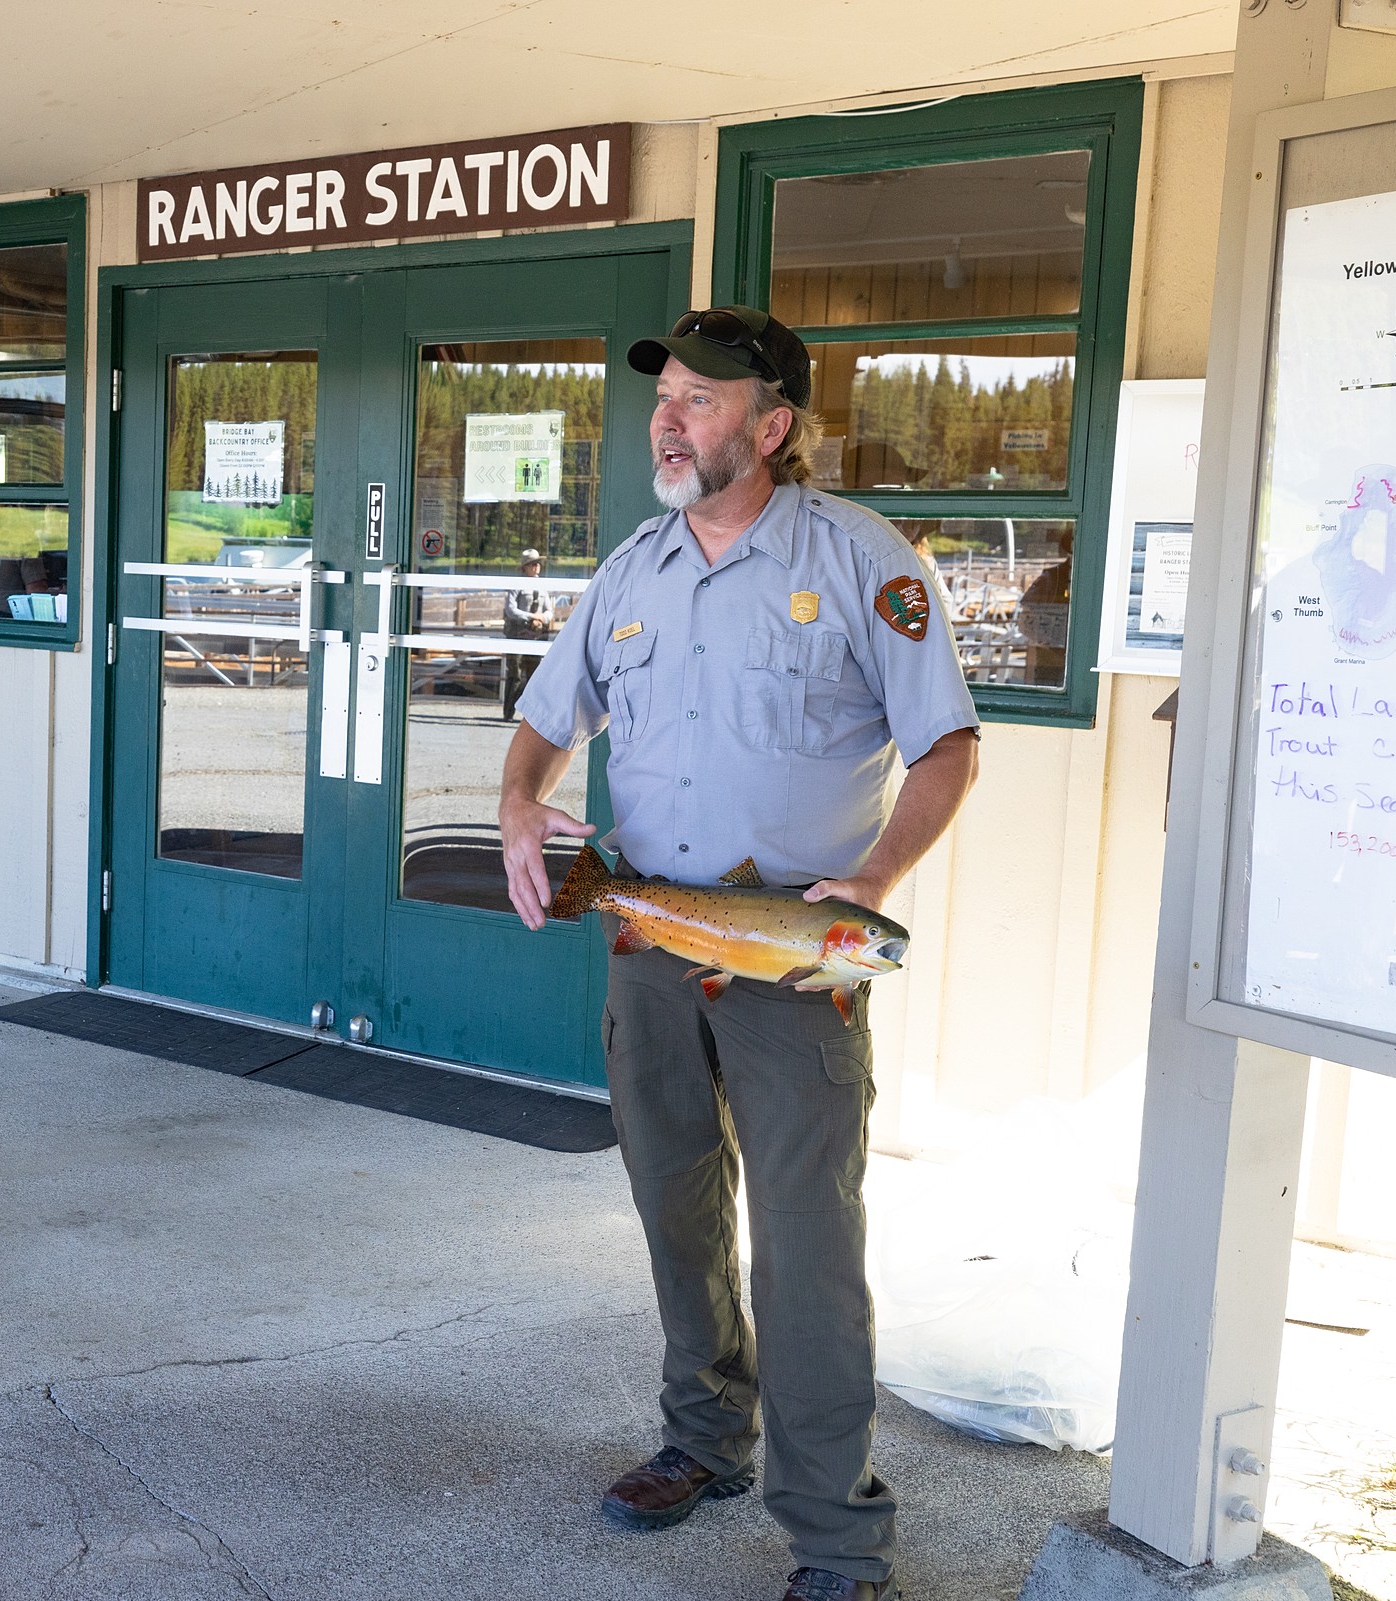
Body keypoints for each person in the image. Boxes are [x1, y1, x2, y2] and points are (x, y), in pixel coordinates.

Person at [498, 306, 981, 1601]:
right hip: (652, 933)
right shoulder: (632, 571)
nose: (668, 417)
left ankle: (837, 1537)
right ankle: (705, 1437)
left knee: (806, 1244)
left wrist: (873, 880)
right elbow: (547, 718)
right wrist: (517, 804)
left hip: (794, 953)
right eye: (664, 395)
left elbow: (948, 748)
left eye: (700, 400)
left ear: (771, 428)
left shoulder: (866, 561)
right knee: (674, 1203)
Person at [501, 546, 555, 720]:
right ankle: (508, 713)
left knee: (534, 676)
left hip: (535, 637)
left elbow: (549, 611)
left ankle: (530, 717)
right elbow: (510, 610)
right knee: (515, 674)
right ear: (525, 567)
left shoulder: (542, 586)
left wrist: (541, 619)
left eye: (538, 563)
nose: (536, 566)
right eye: (532, 564)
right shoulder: (517, 584)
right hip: (516, 635)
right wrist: (531, 617)